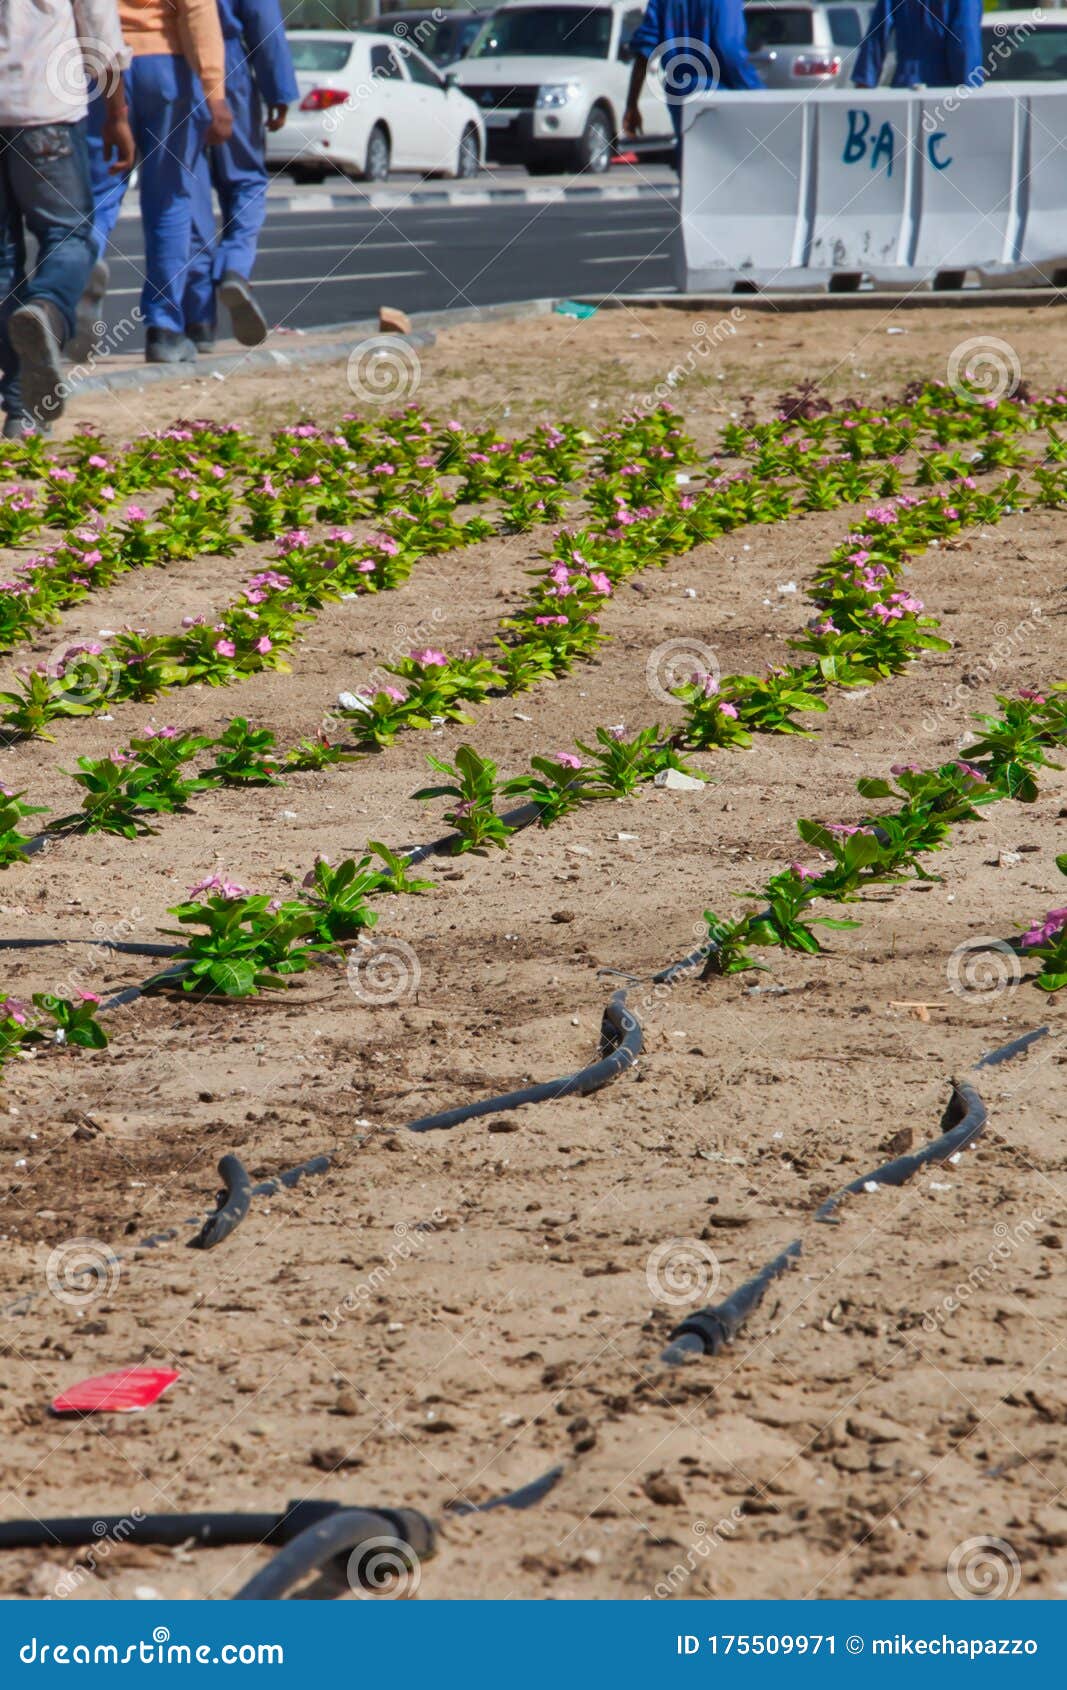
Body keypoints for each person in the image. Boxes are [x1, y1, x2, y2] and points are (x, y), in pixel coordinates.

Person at [0, 0, 133, 436]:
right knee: (70, 236)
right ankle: (49, 308)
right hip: (45, 113)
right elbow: (99, 33)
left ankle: (20, 410)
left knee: (2, 262)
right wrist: (118, 115)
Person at [86, 0, 234, 363]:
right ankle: (165, 330)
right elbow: (198, 12)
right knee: (169, 200)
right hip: (166, 65)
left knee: (98, 194)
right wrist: (215, 93)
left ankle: (78, 279)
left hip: (104, 70)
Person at [183, 0, 299, 350]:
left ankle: (198, 321)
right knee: (246, 180)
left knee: (189, 193)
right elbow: (263, 23)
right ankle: (234, 267)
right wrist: (278, 90)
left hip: (178, 65)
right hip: (227, 66)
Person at [622, 0, 762, 151]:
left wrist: (632, 104)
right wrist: (756, 92)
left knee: (691, 162)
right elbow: (729, 49)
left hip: (680, 94)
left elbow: (645, 49)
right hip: (721, 96)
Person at [853, 0, 983, 89]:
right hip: (944, 91)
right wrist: (970, 90)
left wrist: (864, 82)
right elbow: (965, 41)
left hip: (905, 85)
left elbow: (876, 35)